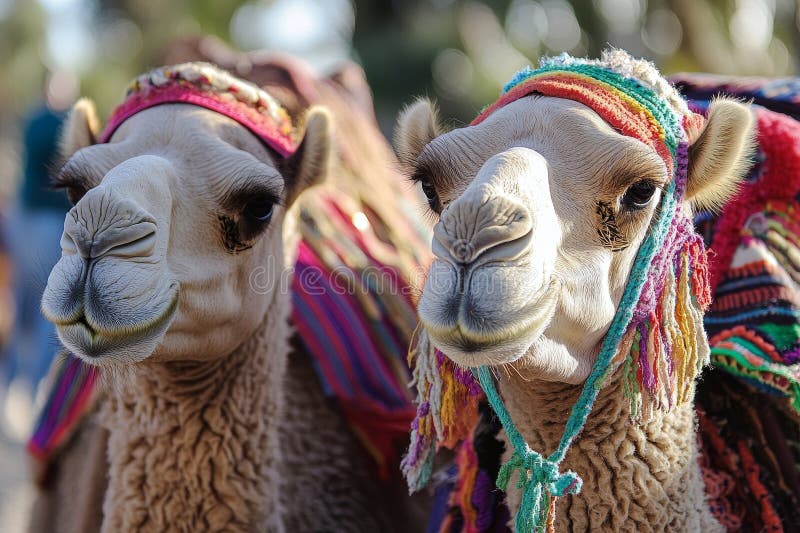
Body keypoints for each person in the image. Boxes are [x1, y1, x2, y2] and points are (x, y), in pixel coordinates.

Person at [0, 70, 76, 440]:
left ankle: (21, 390)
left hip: (31, 220)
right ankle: (26, 393)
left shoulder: (35, 121)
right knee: (41, 307)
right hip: (43, 222)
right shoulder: (55, 122)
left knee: (29, 305)